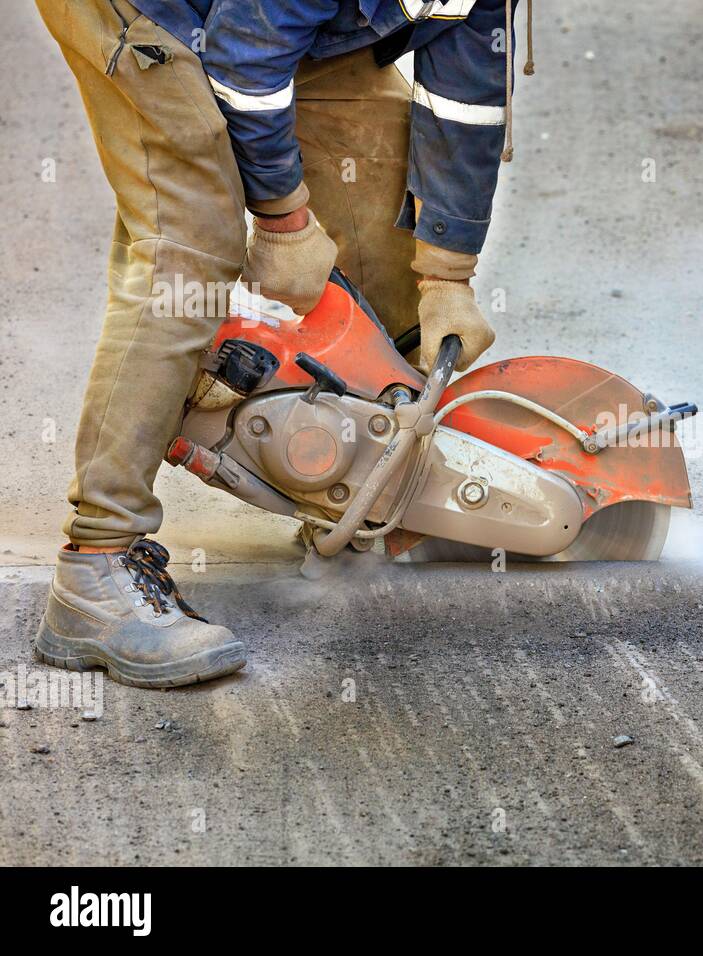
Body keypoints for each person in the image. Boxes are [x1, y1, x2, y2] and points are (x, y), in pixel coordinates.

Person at [33, 0, 526, 688]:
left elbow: (465, 93)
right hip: (150, 10)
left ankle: (370, 474)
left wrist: (445, 276)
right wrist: (285, 224)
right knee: (191, 241)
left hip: (277, 18)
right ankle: (97, 564)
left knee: (372, 156)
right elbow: (242, 61)